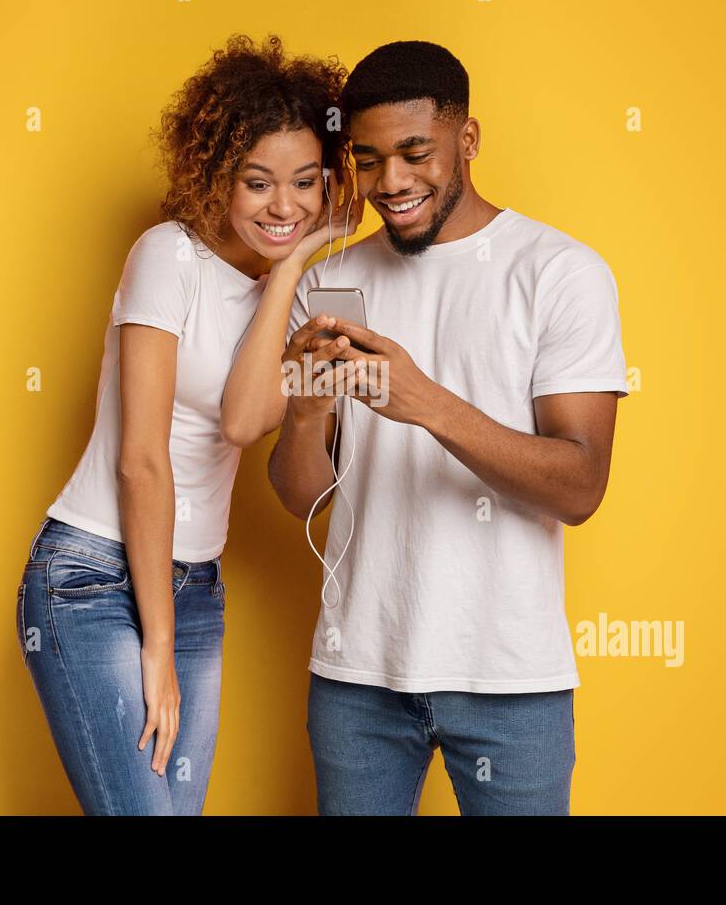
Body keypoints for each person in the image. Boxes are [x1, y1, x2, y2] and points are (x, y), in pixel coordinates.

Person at [239, 40, 629, 814]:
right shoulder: (334, 280)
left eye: (416, 154)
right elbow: (302, 496)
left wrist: (425, 403)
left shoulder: (559, 272)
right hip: (358, 681)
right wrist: (309, 413)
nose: (393, 183)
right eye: (370, 159)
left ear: (469, 140)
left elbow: (580, 487)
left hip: (510, 680)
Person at [14, 33, 358, 815]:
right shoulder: (166, 256)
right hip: (92, 578)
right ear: (217, 176)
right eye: (258, 182)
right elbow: (142, 460)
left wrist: (290, 273)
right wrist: (157, 647)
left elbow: (242, 421)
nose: (284, 206)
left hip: (198, 586)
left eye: (306, 184)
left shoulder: (299, 291)